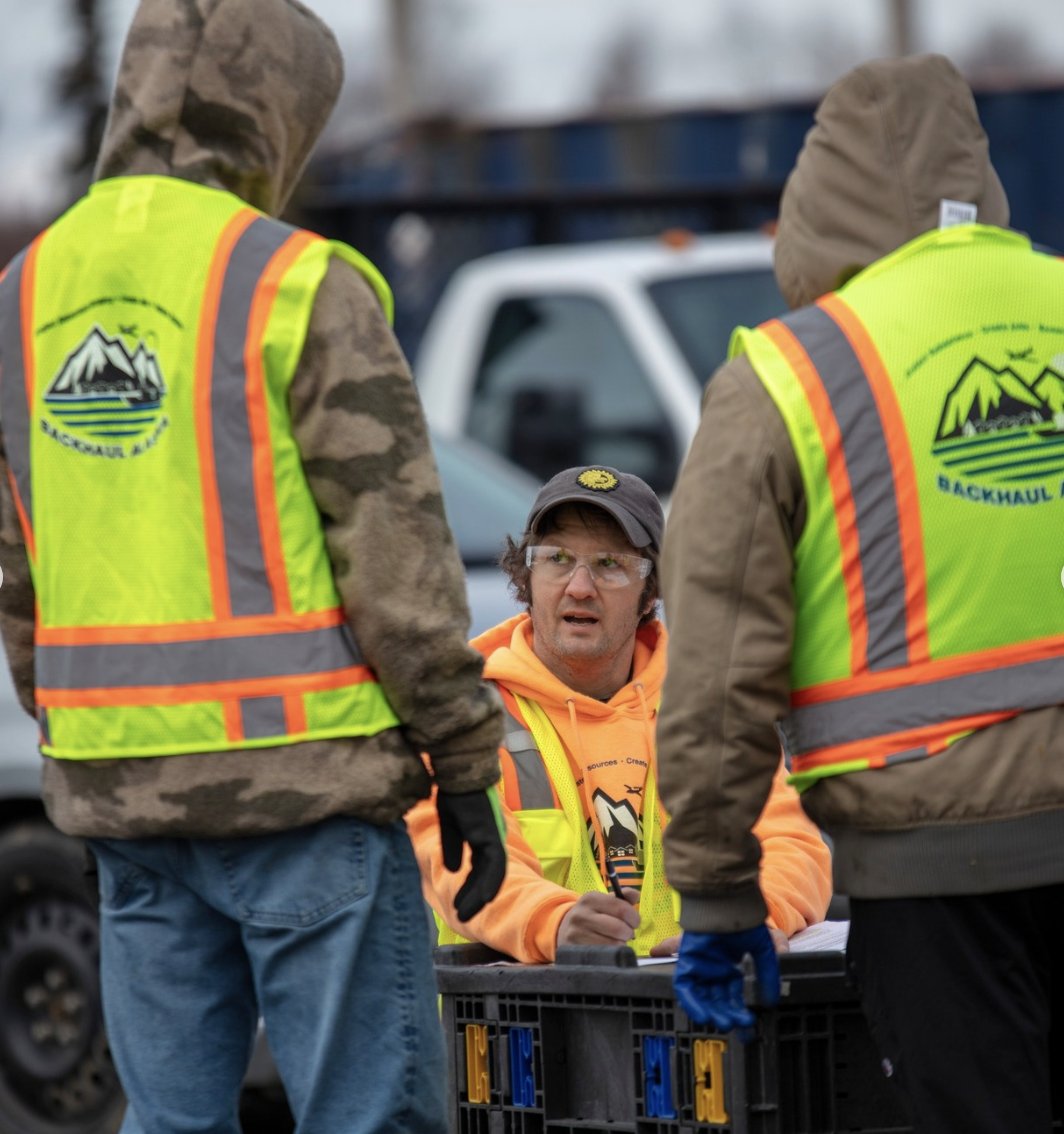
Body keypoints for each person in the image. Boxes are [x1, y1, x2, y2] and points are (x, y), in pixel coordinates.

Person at [0, 2, 507, 1131]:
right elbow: (395, 556)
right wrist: (462, 758)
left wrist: (87, 761)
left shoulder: (23, 294)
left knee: (172, 1122)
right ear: (275, 112)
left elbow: (19, 569)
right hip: (303, 792)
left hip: (124, 800)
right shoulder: (294, 283)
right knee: (368, 1115)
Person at [656, 52, 1064, 1133]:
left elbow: (712, 670)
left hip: (933, 878)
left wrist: (713, 892)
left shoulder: (785, 377)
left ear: (816, 206)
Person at [408, 464, 831, 962]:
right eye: (558, 558)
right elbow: (457, 865)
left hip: (691, 1018)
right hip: (518, 1026)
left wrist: (756, 919)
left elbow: (790, 845)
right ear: (527, 574)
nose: (580, 586)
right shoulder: (459, 718)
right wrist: (556, 921)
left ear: (650, 591)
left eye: (610, 564)